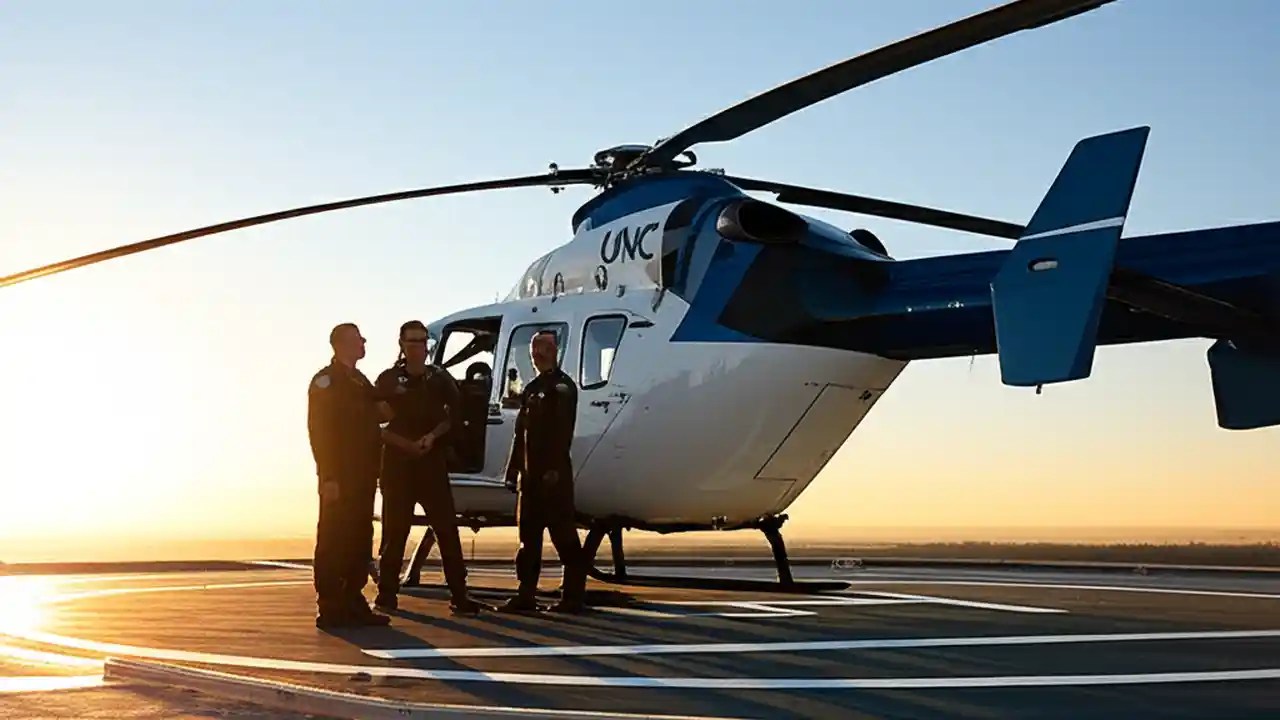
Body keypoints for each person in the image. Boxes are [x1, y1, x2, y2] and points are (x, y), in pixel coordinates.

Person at [373, 320, 486, 616]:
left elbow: (453, 417)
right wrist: (405, 444)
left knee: (446, 529)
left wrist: (432, 437)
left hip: (431, 463)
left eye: (422, 341)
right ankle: (386, 594)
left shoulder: (439, 379)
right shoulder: (387, 380)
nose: (418, 347)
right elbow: (375, 424)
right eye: (412, 341)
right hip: (398, 465)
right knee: (395, 532)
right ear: (401, 344)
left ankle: (459, 594)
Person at [497, 329, 588, 614]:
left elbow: (561, 434)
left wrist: (552, 471)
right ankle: (526, 594)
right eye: (535, 350)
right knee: (528, 539)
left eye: (544, 349)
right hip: (529, 477)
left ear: (555, 351)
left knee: (564, 538)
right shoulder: (532, 388)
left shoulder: (562, 388)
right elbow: (520, 433)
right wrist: (513, 469)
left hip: (553, 476)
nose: (538, 354)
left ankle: (573, 596)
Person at [307, 322, 391, 628]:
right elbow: (320, 433)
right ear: (341, 344)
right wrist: (328, 477)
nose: (363, 343)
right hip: (339, 475)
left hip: (363, 474)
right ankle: (330, 604)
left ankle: (353, 599)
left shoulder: (360, 381)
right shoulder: (326, 382)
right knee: (333, 537)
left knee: (359, 536)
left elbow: (382, 412)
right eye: (358, 339)